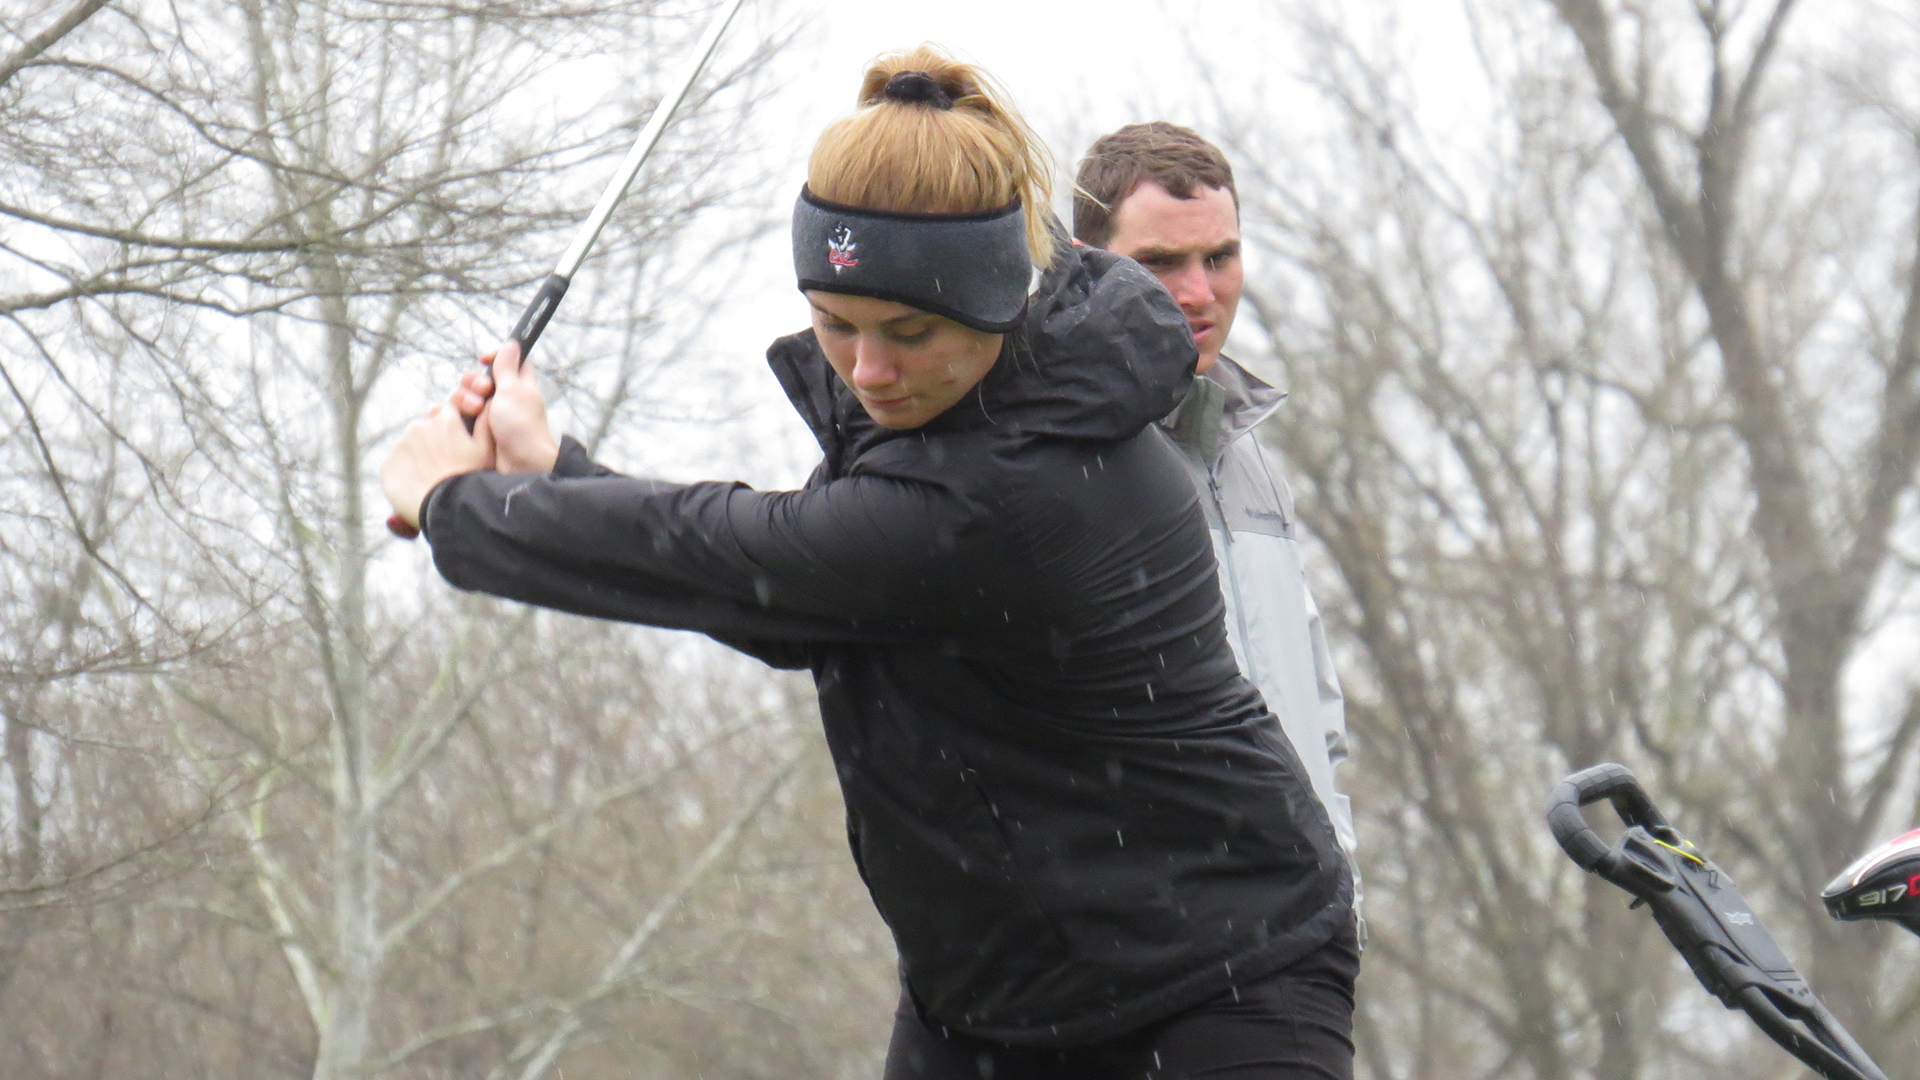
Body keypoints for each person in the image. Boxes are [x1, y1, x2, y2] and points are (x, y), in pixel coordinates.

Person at [381, 48, 1355, 1080]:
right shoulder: (971, 412)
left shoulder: (1008, 489)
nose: (868, 370)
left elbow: (751, 561)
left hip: (1226, 981)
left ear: (995, 304)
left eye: (906, 331)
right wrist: (548, 466)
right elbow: (804, 588)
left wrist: (456, 503)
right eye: (834, 325)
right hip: (992, 1002)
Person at [1074, 123, 1360, 910]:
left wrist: (1342, 895)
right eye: (1160, 264)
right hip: (1160, 955)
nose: (1199, 293)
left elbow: (1318, 721)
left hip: (1298, 947)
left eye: (1220, 258)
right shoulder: (1054, 454)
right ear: (1083, 266)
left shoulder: (1250, 454)